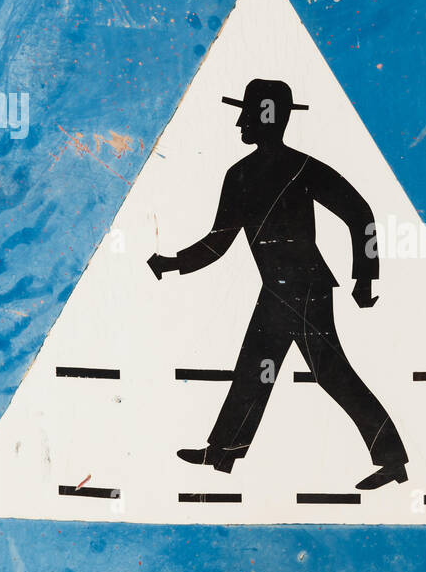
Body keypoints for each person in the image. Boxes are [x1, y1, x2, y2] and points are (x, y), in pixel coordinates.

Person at [148, 78, 409, 491]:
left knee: (329, 373)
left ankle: (393, 459)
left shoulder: (299, 168)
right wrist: (173, 262)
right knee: (256, 368)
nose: (239, 123)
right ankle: (223, 452)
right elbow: (219, 243)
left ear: (267, 117)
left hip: (305, 289)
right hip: (279, 289)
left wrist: (365, 277)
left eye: (246, 113)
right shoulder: (239, 175)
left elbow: (360, 213)